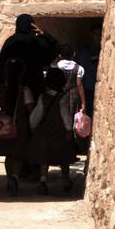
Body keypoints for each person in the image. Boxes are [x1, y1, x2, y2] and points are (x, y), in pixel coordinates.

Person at [26, 65, 79, 194]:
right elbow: (65, 114)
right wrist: (69, 130)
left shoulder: (43, 97)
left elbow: (37, 115)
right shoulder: (63, 97)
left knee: (44, 157)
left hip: (44, 132)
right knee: (63, 157)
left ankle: (43, 180)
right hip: (59, 132)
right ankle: (66, 180)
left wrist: (33, 125)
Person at [0, 58, 35, 197]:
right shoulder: (25, 90)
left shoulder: (0, 88)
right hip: (20, 125)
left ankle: (10, 178)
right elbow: (30, 108)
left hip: (3, 125)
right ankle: (15, 177)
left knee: (8, 154)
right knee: (18, 154)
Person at [0, 14, 58, 96]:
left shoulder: (10, 41)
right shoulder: (37, 42)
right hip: (34, 84)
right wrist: (43, 34)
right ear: (32, 25)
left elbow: (1, 63)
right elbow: (54, 50)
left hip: (13, 86)